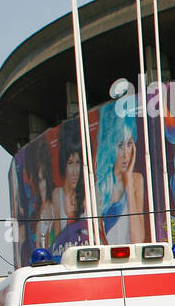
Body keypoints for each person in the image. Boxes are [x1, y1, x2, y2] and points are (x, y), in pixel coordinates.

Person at [95, 99, 147, 243]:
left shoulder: (137, 180)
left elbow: (138, 240)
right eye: (120, 145)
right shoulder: (99, 188)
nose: (126, 154)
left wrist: (128, 182)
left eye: (129, 144)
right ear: (110, 147)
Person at [52, 123, 86, 245]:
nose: (74, 172)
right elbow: (57, 239)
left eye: (78, 163)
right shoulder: (57, 195)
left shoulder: (89, 195)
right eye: (70, 163)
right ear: (64, 165)